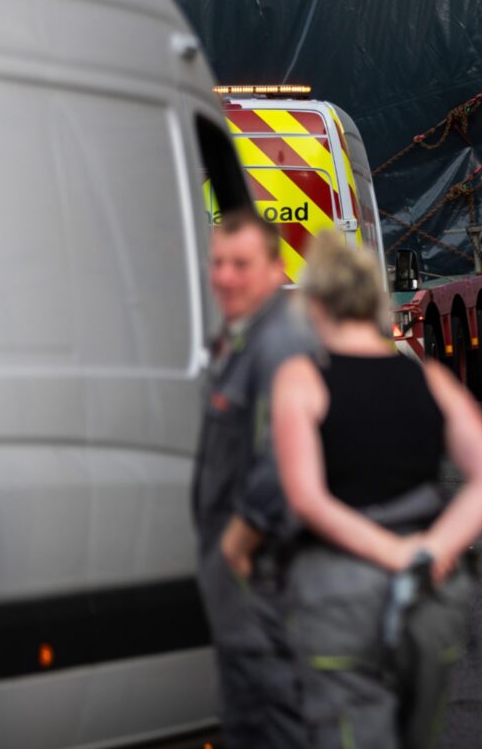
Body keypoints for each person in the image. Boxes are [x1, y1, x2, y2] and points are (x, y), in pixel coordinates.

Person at [272, 235, 482, 749]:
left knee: (352, 731)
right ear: (375, 301)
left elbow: (306, 498)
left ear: (314, 305)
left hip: (339, 592)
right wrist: (433, 550)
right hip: (429, 596)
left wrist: (390, 553)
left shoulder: (302, 380)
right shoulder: (428, 380)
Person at [193, 208, 317, 748]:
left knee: (271, 725)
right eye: (218, 263)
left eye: (240, 264)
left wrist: (239, 543)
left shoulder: (279, 344)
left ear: (274, 268)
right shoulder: (247, 339)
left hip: (266, 581)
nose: (224, 277)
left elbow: (290, 452)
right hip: (248, 588)